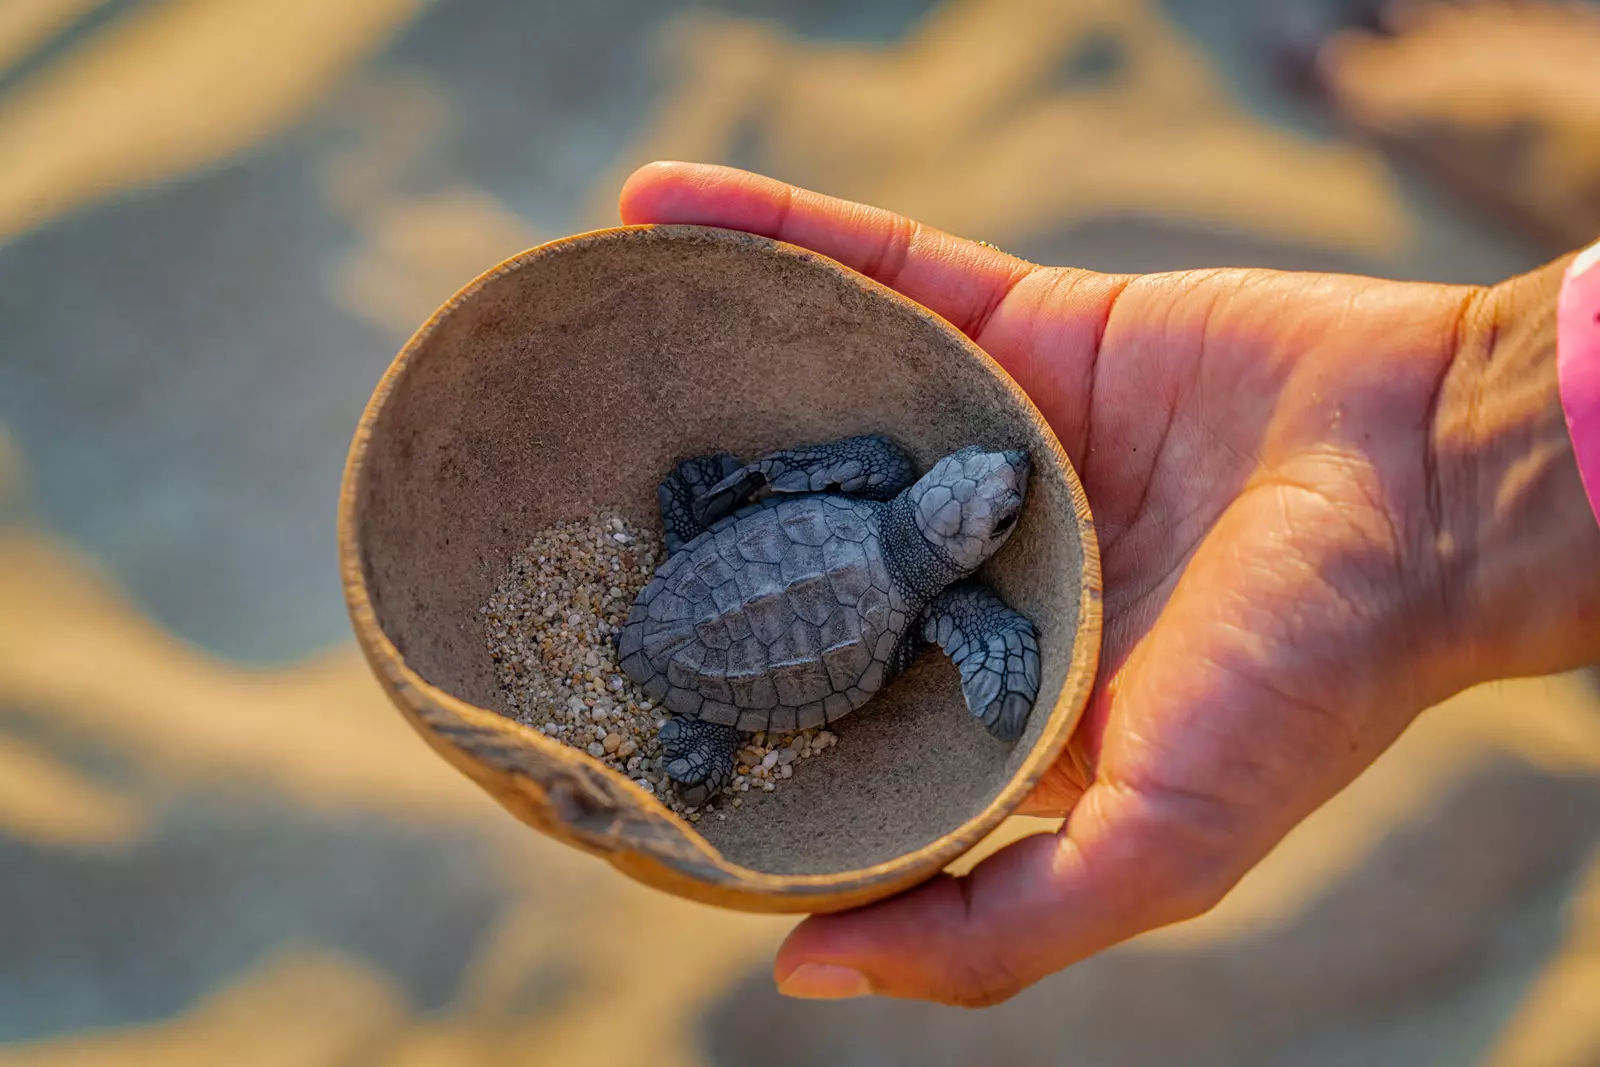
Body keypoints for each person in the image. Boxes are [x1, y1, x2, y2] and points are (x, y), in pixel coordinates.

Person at [617, 160, 1600, 1007]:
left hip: (754, 562)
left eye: (994, 496)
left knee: (748, 513)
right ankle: (702, 731)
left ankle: (698, 654)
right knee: (784, 695)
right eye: (999, 508)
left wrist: (1453, 442)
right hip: (759, 645)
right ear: (952, 530)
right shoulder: (947, 594)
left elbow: (796, 486)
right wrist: (1454, 436)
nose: (1010, 475)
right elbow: (1005, 691)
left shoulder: (874, 482)